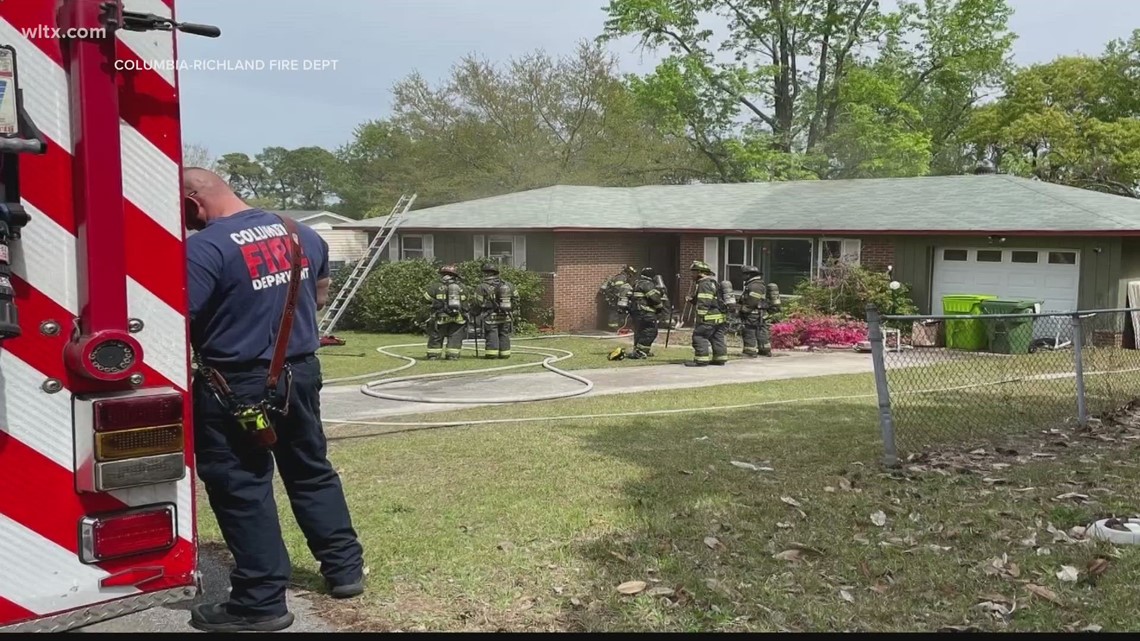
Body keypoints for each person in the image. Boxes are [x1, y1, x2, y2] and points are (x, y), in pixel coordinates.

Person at [182, 167, 365, 633]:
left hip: (236, 384)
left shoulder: (203, 249)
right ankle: (344, 571)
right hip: (300, 372)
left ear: (193, 202)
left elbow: (178, 317)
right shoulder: (300, 231)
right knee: (311, 470)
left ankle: (260, 601)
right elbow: (319, 294)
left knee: (241, 485)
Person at [687, 260, 729, 366]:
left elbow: (705, 301)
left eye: (693, 272)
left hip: (708, 318)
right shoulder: (713, 283)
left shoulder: (704, 284)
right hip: (719, 318)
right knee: (717, 337)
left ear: (700, 272)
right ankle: (720, 358)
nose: (692, 275)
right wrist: (692, 300)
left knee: (699, 336)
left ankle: (701, 360)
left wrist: (701, 316)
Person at [423, 264, 468, 360]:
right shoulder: (462, 287)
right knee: (455, 337)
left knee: (436, 336)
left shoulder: (436, 286)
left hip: (440, 317)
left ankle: (433, 355)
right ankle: (453, 356)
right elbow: (466, 302)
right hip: (458, 318)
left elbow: (425, 299)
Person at [473, 262, 518, 359]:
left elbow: (477, 302)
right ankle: (505, 354)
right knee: (504, 334)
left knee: (492, 333)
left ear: (485, 274)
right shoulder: (508, 285)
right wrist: (509, 309)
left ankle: (491, 355)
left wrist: (474, 313)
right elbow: (516, 298)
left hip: (490, 316)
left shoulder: (482, 287)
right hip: (506, 315)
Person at [627, 267, 669, 359]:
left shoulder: (637, 283)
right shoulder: (648, 284)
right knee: (650, 331)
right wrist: (660, 308)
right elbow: (655, 299)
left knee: (640, 332)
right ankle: (640, 352)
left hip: (637, 313)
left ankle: (639, 350)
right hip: (646, 313)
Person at [739, 265, 781, 357]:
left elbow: (753, 301)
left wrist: (743, 309)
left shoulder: (755, 286)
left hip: (753, 314)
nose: (742, 276)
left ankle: (750, 352)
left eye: (744, 274)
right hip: (759, 314)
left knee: (749, 331)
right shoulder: (756, 284)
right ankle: (764, 350)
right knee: (761, 331)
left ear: (749, 275)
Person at [599, 265, 636, 329]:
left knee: (618, 312)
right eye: (631, 274)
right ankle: (612, 328)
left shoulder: (624, 278)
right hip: (613, 298)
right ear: (628, 273)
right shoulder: (621, 278)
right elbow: (618, 289)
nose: (631, 276)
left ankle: (617, 326)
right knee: (614, 312)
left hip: (615, 297)